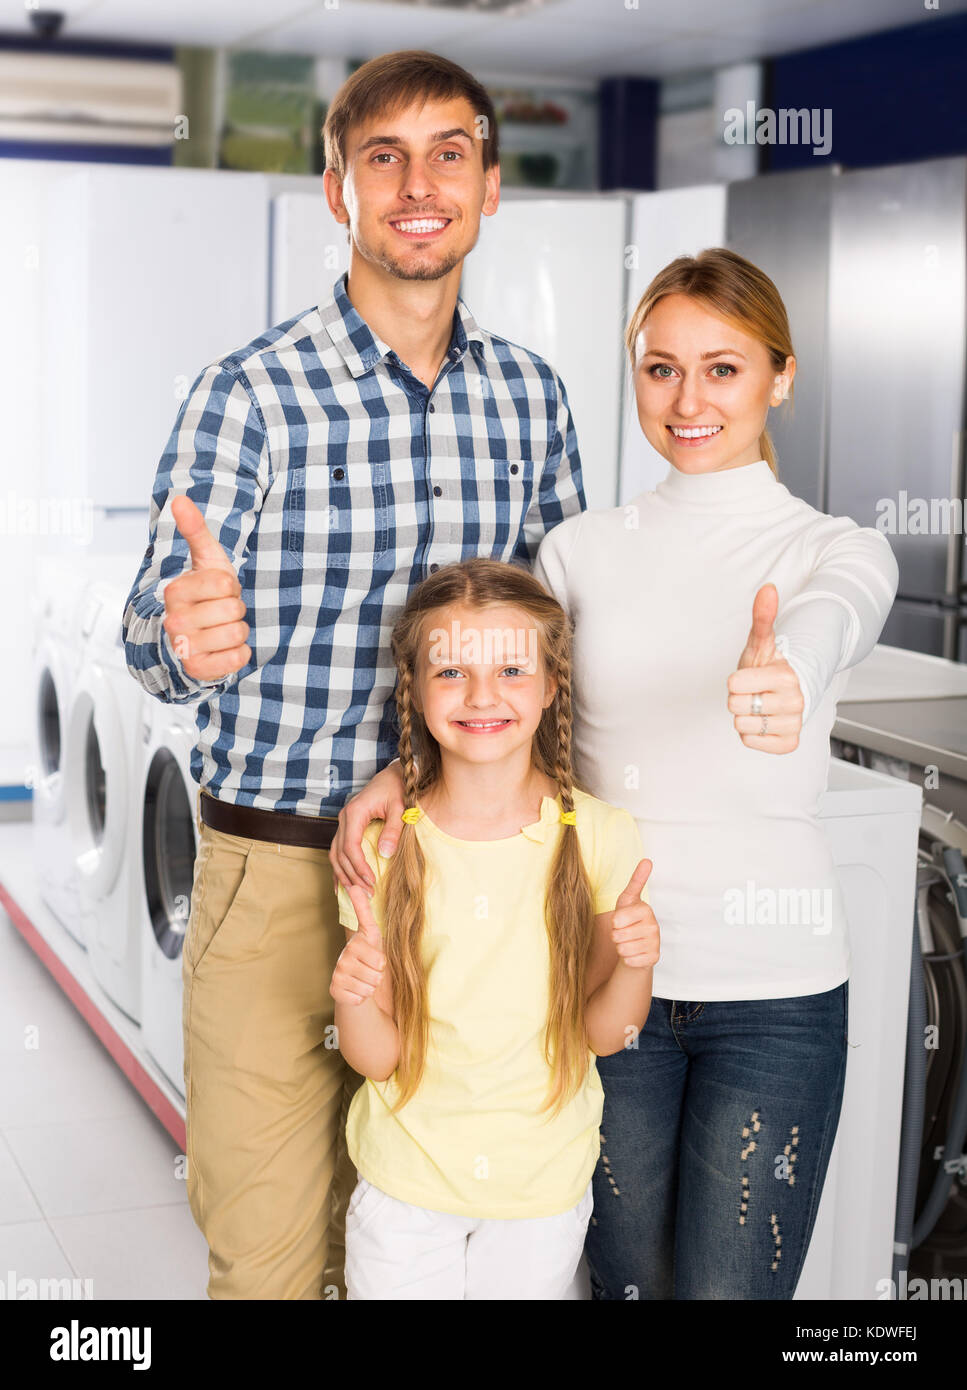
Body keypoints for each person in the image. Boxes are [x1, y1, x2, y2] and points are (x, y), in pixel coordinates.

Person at [328, 247, 900, 1299]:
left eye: (722, 368)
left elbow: (836, 617)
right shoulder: (579, 550)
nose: (688, 399)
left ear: (781, 374)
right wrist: (394, 771)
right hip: (592, 972)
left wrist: (792, 669)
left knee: (730, 1291)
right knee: (620, 1280)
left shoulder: (835, 549)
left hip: (772, 992)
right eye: (659, 367)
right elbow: (493, 691)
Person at [120, 49, 586, 1299]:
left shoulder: (534, 402)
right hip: (273, 879)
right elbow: (145, 637)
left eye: (448, 154)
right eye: (381, 156)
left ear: (490, 189)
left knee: (417, 1256)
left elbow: (553, 646)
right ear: (338, 189)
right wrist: (185, 637)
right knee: (268, 1262)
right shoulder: (249, 394)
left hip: (466, 879)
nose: (416, 183)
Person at [329, 557, 659, 1299]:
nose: (482, 695)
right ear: (413, 688)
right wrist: (350, 995)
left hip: (539, 1190)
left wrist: (637, 962)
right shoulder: (381, 845)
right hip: (405, 1185)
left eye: (512, 669)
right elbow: (375, 1057)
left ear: (550, 686)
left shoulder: (601, 835)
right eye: (450, 673)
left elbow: (605, 1033)